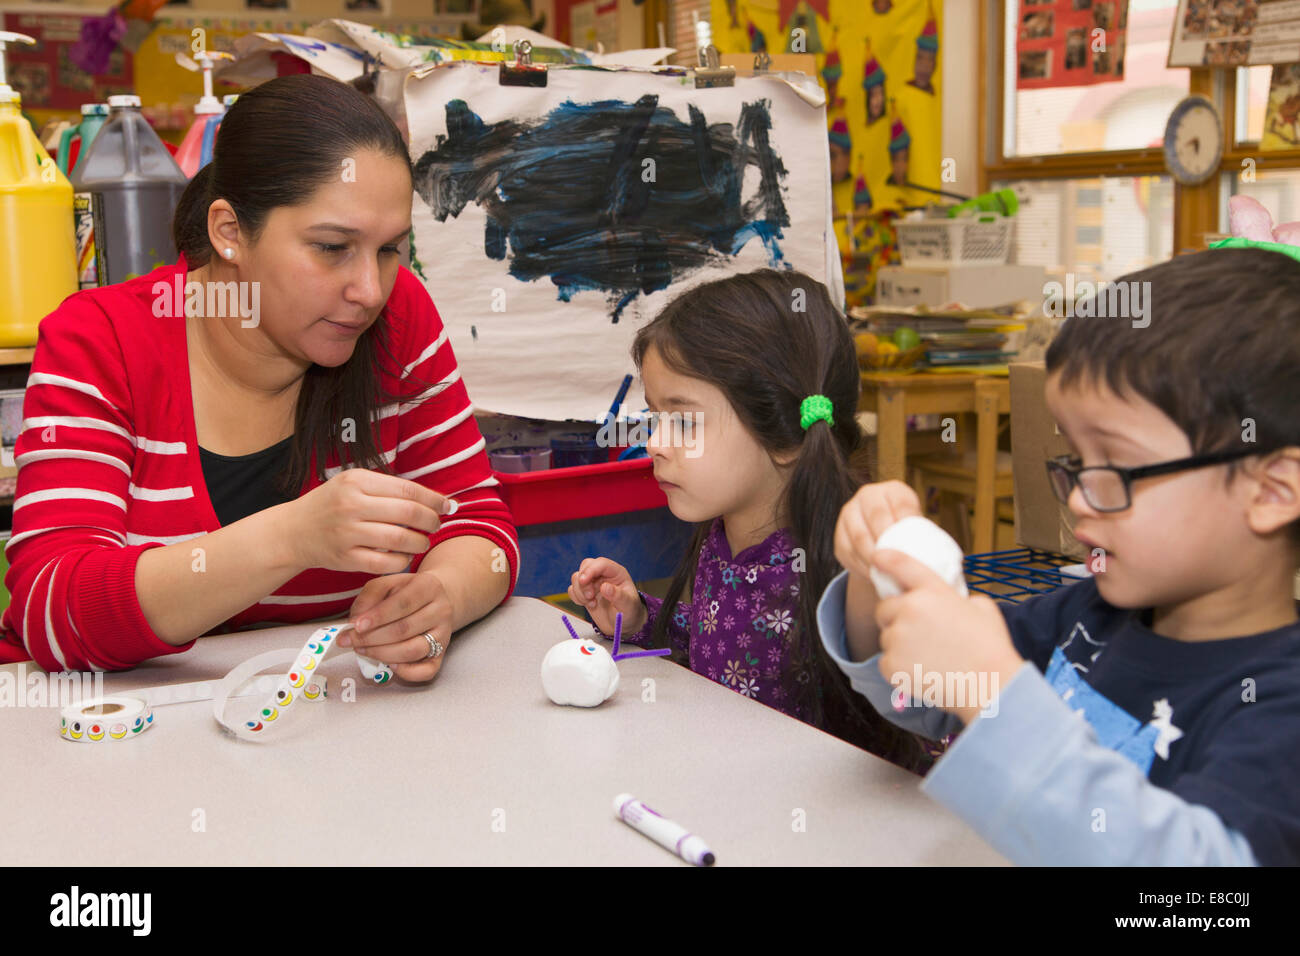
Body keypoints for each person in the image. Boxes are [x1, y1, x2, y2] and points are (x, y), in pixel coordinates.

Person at [0, 74, 520, 681]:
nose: (369, 291)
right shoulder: (103, 341)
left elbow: (478, 524)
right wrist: (290, 538)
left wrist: (439, 597)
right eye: (331, 247)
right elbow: (51, 613)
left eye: (388, 249)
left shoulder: (400, 317)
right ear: (229, 233)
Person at [818, 248, 1300, 864]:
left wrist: (998, 698)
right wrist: (877, 577)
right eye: (1076, 462)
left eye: (1118, 466)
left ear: (1272, 491)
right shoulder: (1085, 618)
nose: (1079, 498)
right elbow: (921, 696)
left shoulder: (1280, 704)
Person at [567, 270, 932, 772]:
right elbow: (724, 642)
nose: (654, 442)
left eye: (684, 421)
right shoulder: (725, 534)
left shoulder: (840, 572)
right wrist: (640, 617)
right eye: (655, 417)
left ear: (783, 436)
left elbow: (907, 716)